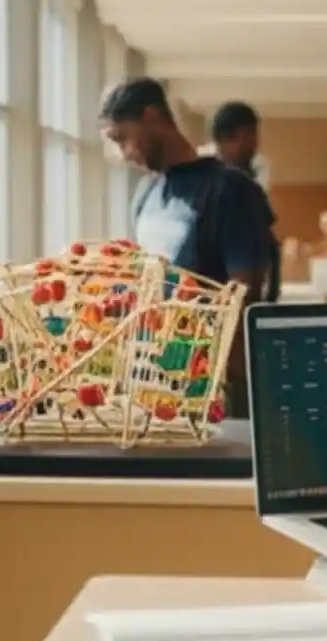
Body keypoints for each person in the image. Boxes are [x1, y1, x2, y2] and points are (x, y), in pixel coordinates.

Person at [102, 77, 271, 419]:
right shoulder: (146, 194)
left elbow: (244, 293)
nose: (124, 153)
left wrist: (209, 368)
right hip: (154, 378)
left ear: (151, 117)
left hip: (216, 381)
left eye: (123, 139)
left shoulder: (229, 190)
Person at [210, 100, 281, 303]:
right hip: (232, 298)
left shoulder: (244, 183)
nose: (254, 144)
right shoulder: (234, 187)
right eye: (250, 135)